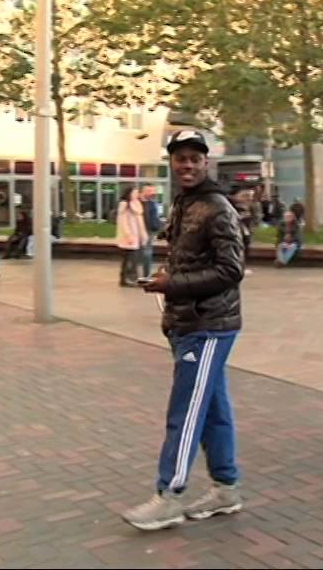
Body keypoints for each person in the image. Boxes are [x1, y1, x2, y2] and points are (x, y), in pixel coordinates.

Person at [124, 130, 246, 531]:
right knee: (211, 408)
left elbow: (231, 271)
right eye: (181, 159)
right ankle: (226, 489)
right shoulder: (185, 203)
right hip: (189, 322)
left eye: (195, 158)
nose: (188, 165)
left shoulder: (216, 207)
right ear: (172, 163)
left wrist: (172, 285)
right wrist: (169, 276)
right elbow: (194, 260)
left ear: (205, 162)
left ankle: (170, 496)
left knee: (186, 412)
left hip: (209, 326)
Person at [115, 186, 149, 287]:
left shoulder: (137, 204)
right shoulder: (125, 204)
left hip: (136, 236)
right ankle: (128, 279)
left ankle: (129, 278)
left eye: (137, 192)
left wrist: (143, 235)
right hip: (129, 238)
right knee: (129, 259)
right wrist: (128, 235)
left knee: (132, 259)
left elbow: (140, 222)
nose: (136, 194)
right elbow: (123, 222)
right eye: (134, 192)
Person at [140, 185, 162, 279]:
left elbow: (155, 217)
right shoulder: (142, 203)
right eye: (149, 191)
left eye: (153, 191)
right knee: (146, 252)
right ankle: (146, 274)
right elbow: (146, 217)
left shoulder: (152, 202)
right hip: (145, 230)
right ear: (144, 191)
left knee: (148, 252)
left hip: (151, 230)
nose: (152, 193)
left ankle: (146, 273)